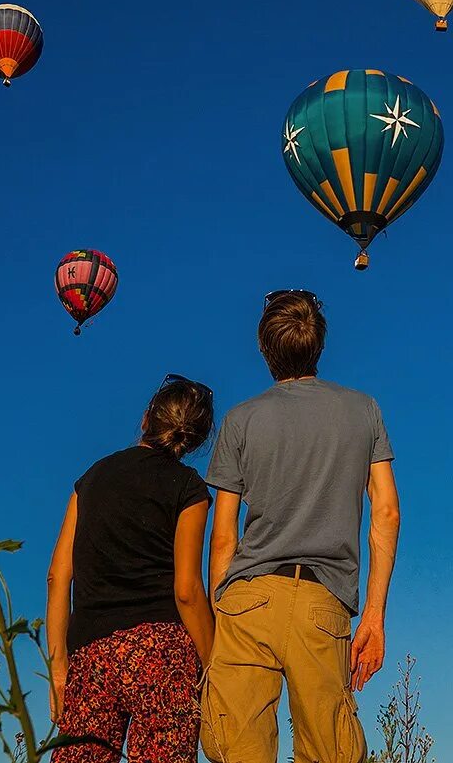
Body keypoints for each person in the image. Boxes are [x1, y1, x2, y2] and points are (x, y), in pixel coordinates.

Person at [200, 290, 401, 763]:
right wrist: (374, 615)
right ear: (320, 344)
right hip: (323, 602)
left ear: (265, 349)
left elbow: (223, 534)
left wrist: (218, 617)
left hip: (247, 599)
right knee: (331, 751)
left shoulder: (240, 420)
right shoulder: (363, 409)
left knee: (235, 748)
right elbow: (386, 512)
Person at [46, 375, 216, 763]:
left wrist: (59, 668)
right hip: (163, 653)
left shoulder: (90, 480)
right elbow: (187, 590)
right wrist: (213, 664)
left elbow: (58, 576)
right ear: (192, 441)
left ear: (145, 419)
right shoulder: (188, 487)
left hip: (91, 656)